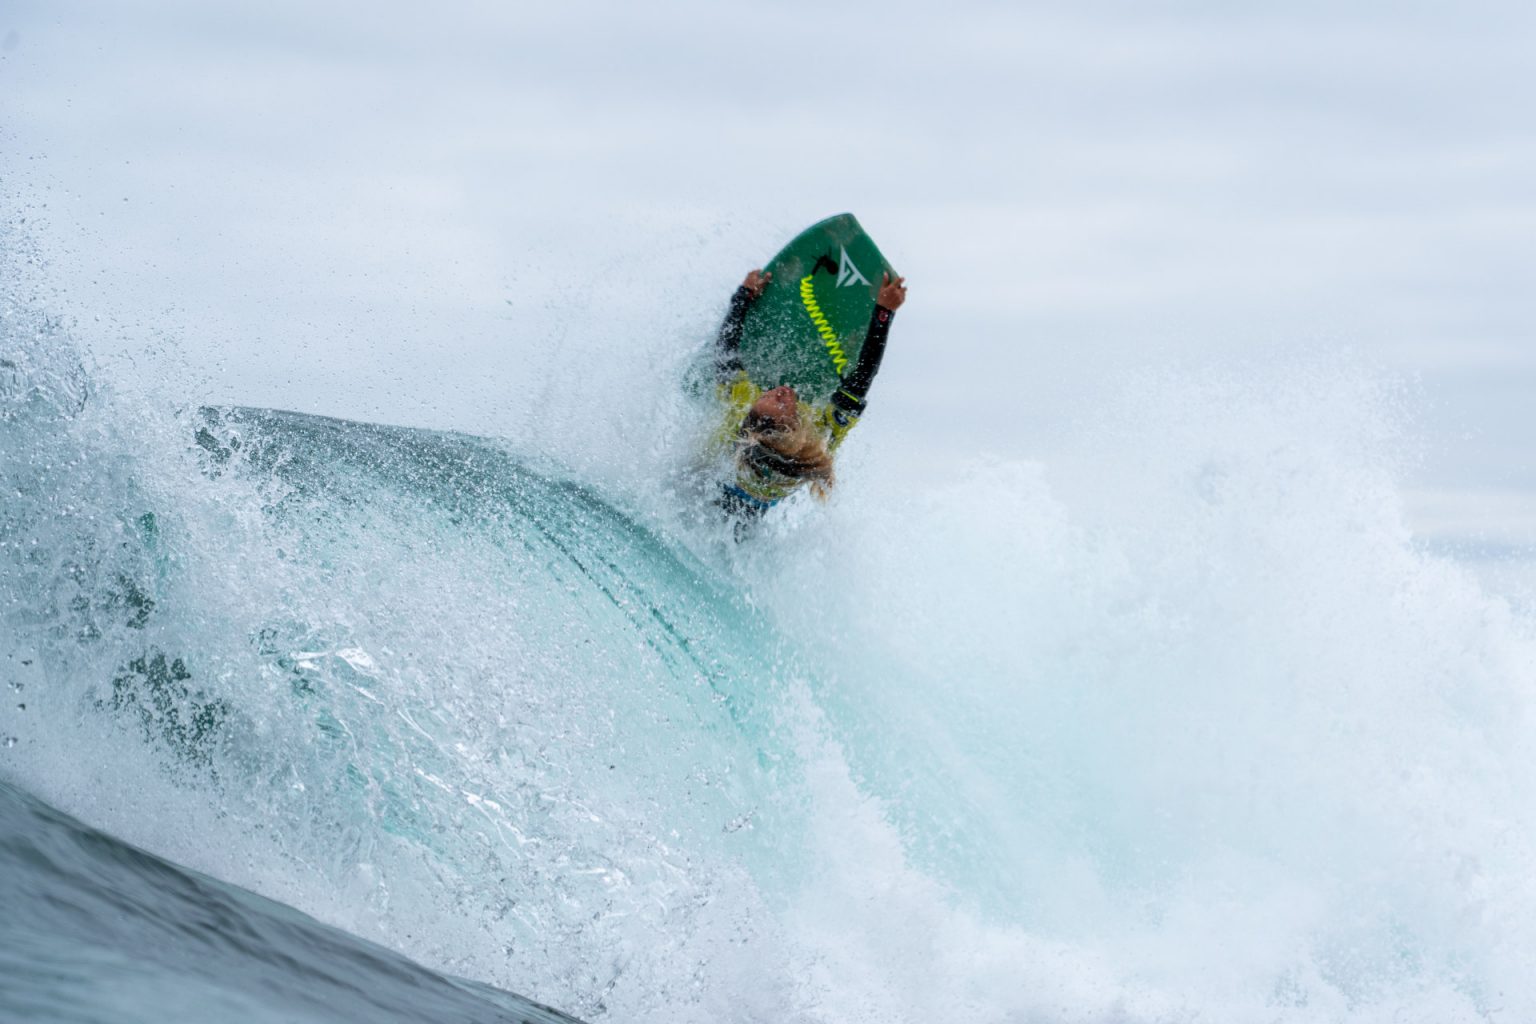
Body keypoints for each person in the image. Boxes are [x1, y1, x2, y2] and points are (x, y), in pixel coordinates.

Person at [709, 267, 907, 524]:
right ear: (794, 424)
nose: (780, 391)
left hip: (717, 483)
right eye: (781, 403)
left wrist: (743, 295)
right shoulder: (821, 438)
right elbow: (861, 379)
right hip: (753, 500)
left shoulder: (742, 406)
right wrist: (883, 313)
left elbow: (724, 353)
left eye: (768, 397)